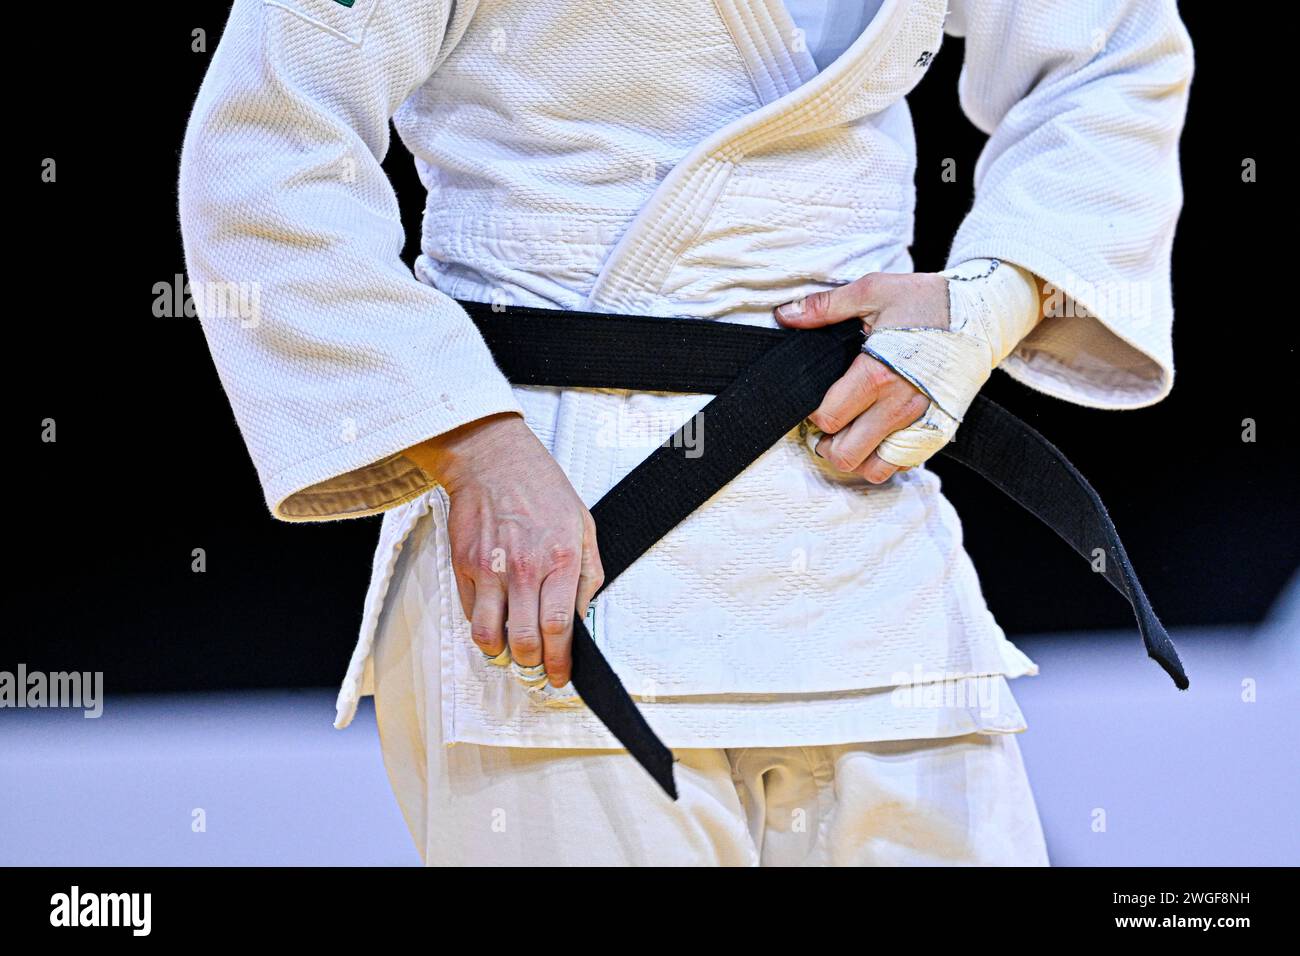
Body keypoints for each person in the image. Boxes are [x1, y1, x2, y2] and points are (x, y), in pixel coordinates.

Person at [178, 0, 1193, 865]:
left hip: (868, 550)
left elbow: (1115, 48)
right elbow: (268, 147)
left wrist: (991, 296)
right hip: (559, 537)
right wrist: (470, 440)